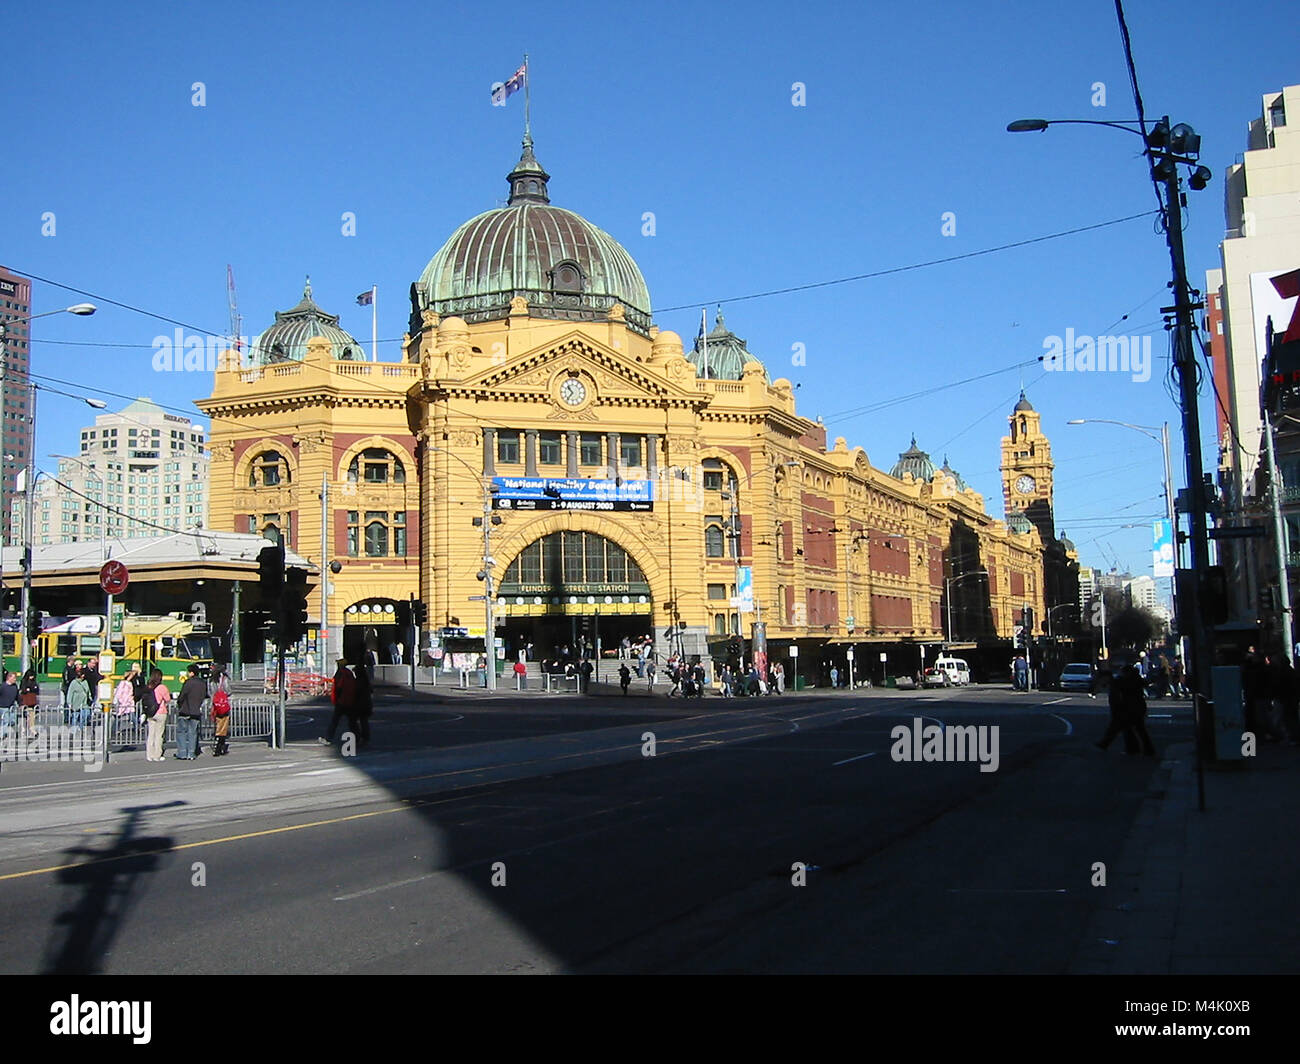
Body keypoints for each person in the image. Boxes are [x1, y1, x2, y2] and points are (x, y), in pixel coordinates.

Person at [1096, 661, 1155, 756]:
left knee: (1124, 727)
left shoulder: (1125, 681)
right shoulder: (1135, 679)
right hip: (1136, 707)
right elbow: (1145, 683)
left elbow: (1117, 690)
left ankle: (1138, 749)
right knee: (1134, 728)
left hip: (1129, 708)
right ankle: (1140, 749)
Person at [175, 664, 208, 759]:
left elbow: (182, 695)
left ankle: (182, 753)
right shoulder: (202, 683)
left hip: (185, 710)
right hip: (196, 711)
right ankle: (191, 753)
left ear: (192, 673)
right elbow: (204, 695)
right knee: (193, 733)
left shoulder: (188, 682)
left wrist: (179, 703)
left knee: (181, 732)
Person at [321, 659, 356, 744]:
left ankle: (328, 738)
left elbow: (339, 686)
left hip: (341, 701)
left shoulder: (341, 673)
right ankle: (358, 737)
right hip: (349, 700)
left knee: (335, 721)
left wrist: (336, 698)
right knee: (352, 721)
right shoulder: (349, 673)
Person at [146, 668, 170, 762]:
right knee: (159, 735)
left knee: (151, 734)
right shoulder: (162, 687)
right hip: (160, 712)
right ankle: (157, 755)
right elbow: (167, 699)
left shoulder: (149, 686)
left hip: (150, 713)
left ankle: (149, 755)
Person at [210, 666, 232, 757]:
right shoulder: (224, 679)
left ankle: (218, 746)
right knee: (223, 726)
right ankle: (220, 746)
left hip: (216, 704)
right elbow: (228, 690)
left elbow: (211, 692)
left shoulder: (212, 680)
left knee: (218, 725)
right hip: (224, 704)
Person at [66, 666, 92, 732]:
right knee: (75, 716)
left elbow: (87, 691)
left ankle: (81, 728)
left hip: (84, 703)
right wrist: (69, 703)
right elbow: (70, 693)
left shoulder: (85, 682)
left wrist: (90, 697)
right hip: (76, 703)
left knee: (85, 715)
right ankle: (73, 730)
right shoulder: (74, 683)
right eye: (82, 675)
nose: (83, 676)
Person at [353, 664, 372, 746]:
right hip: (366, 704)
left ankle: (359, 737)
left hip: (360, 705)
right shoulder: (366, 681)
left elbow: (356, 692)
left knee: (354, 721)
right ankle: (365, 738)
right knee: (364, 721)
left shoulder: (359, 681)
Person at [19, 669, 40, 739]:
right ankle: (25, 731)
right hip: (26, 702)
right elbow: (24, 690)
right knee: (26, 717)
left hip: (32, 702)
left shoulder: (34, 682)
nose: (32, 678)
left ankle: (32, 731)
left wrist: (30, 689)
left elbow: (36, 689)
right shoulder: (24, 681)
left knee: (32, 717)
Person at [0, 671, 18, 740]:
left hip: (12, 706)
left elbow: (17, 696)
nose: (15, 679)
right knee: (5, 721)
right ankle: (2, 735)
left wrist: (20, 703)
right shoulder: (3, 686)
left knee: (13, 721)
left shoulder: (14, 686)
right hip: (3, 706)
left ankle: (15, 732)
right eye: (14, 678)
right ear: (9, 678)